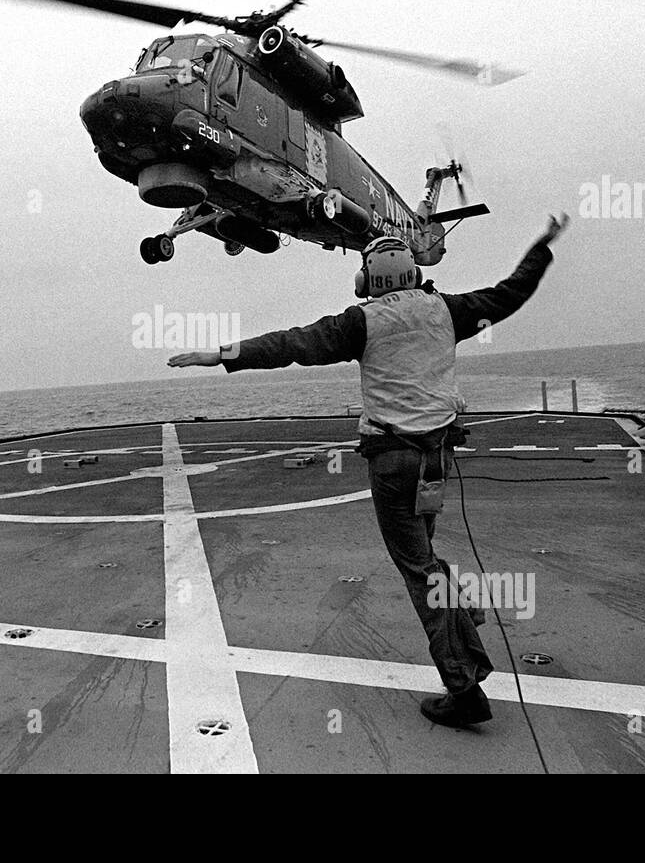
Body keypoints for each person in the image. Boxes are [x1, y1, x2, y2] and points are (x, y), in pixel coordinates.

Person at [169, 213, 570, 727]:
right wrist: (540, 247)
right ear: (411, 273)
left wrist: (223, 354)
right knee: (424, 557)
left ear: (366, 279)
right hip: (437, 460)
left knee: (417, 569)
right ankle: (467, 634)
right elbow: (509, 293)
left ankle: (463, 687)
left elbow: (292, 344)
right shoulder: (447, 310)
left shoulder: (361, 322)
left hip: (393, 463)